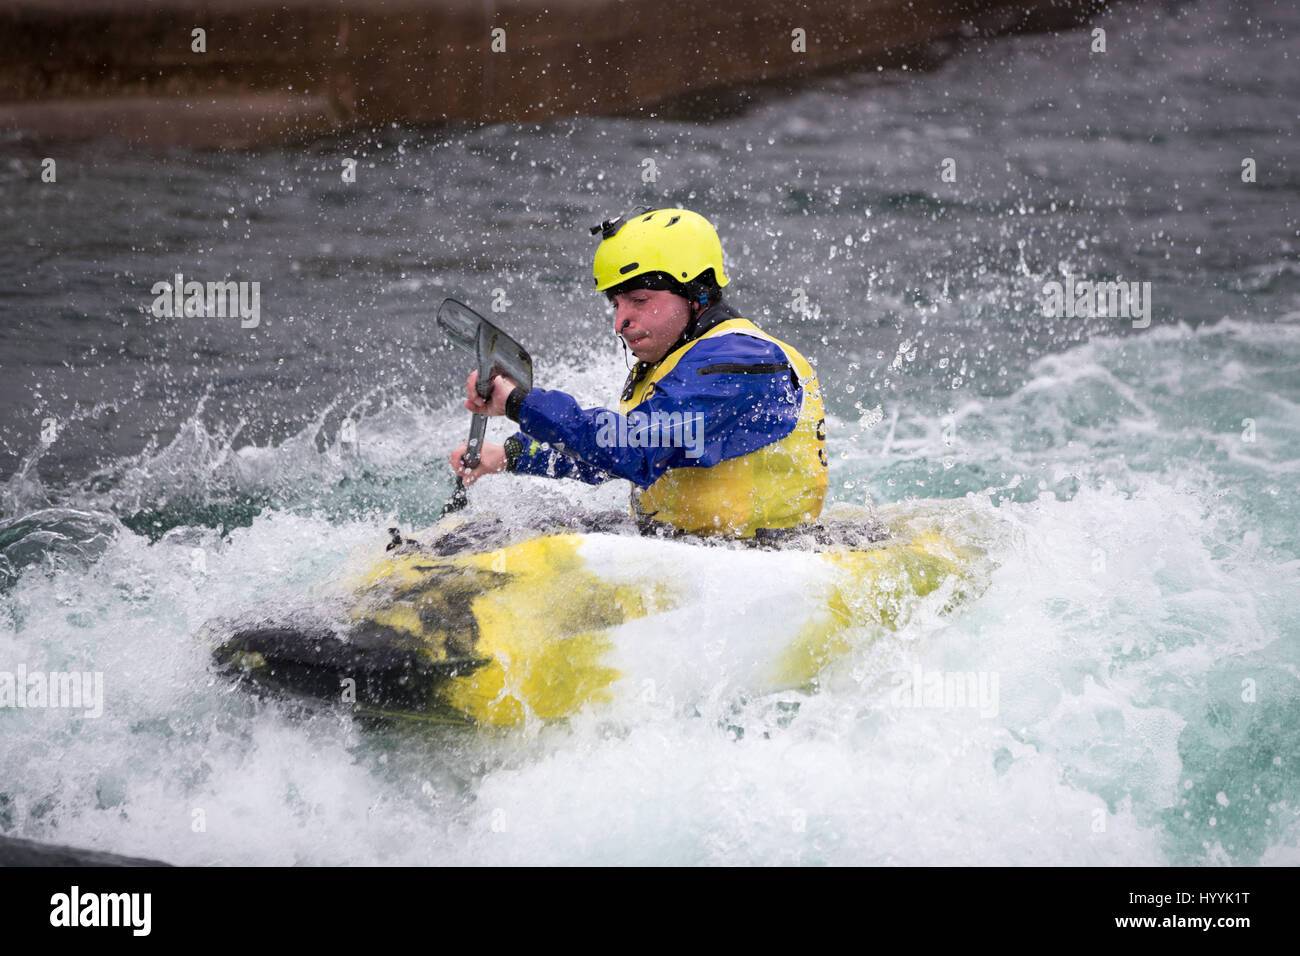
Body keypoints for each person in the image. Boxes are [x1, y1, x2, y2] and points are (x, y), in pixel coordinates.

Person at [448, 206, 828, 539]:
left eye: (640, 301)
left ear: (695, 292)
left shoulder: (742, 361)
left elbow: (636, 448)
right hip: (698, 549)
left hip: (764, 561)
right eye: (616, 304)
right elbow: (611, 452)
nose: (620, 322)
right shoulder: (676, 362)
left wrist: (519, 403)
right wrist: (510, 455)